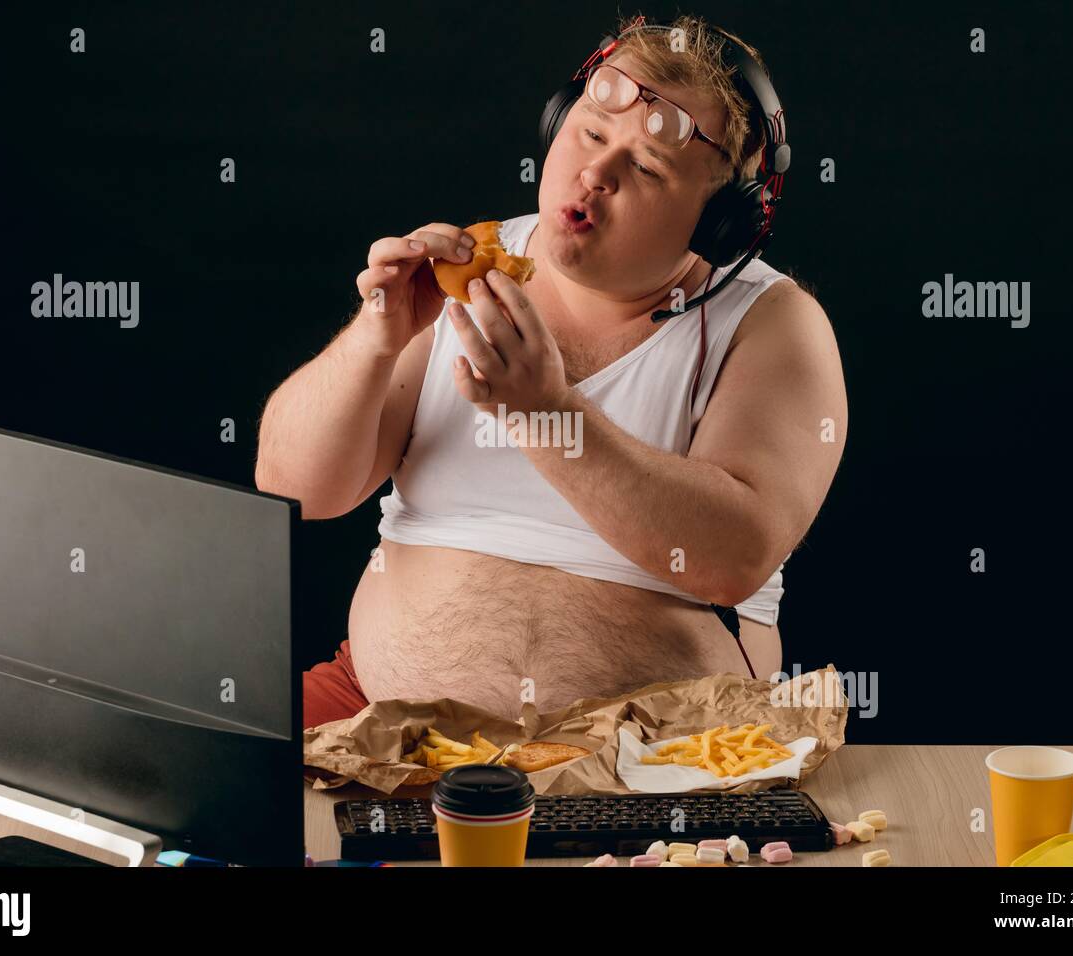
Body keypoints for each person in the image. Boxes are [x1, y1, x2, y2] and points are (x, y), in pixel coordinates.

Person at [255, 14, 848, 727]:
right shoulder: (459, 270)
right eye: (593, 134)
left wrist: (546, 415)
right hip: (380, 719)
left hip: (663, 764)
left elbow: (733, 557)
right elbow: (290, 487)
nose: (596, 175)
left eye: (648, 168)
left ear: (722, 223)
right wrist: (376, 338)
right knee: (181, 790)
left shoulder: (773, 325)